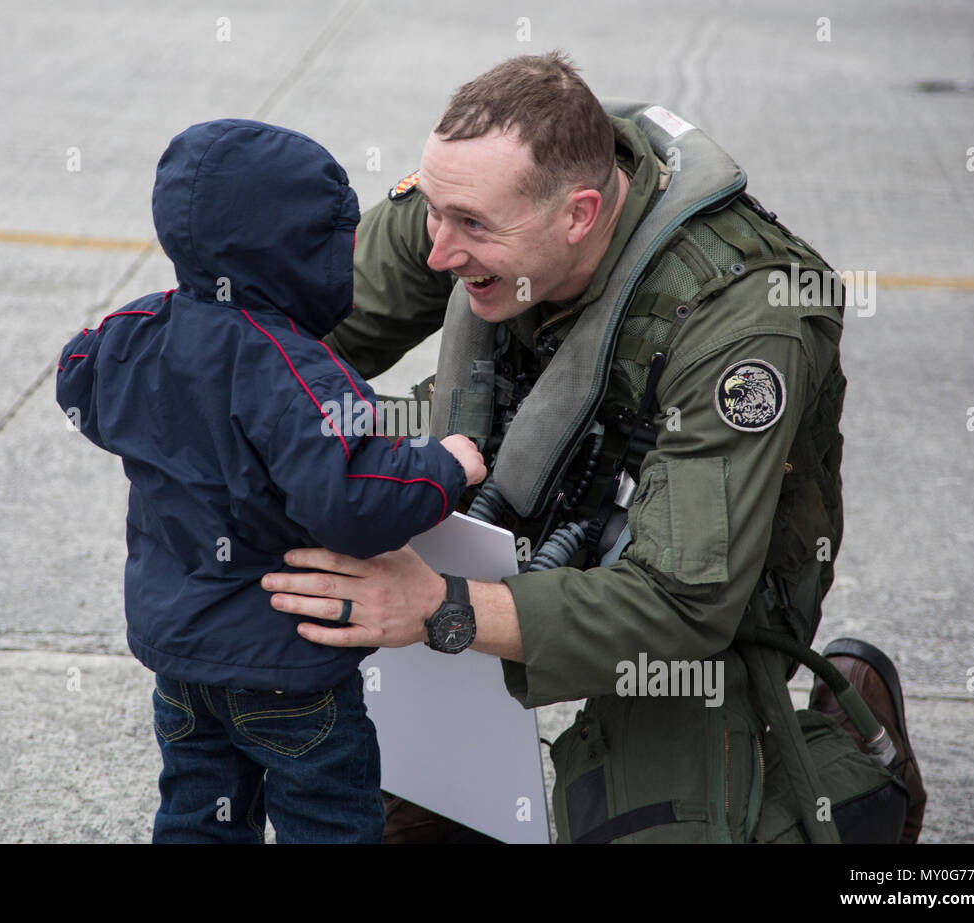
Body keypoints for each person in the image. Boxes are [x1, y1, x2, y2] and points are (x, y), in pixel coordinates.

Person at [261, 53, 926, 843]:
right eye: (435, 211)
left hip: (689, 581)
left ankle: (854, 751)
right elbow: (274, 345)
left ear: (578, 216)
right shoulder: (476, 199)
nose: (438, 251)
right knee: (340, 777)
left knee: (650, 832)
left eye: (470, 226)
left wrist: (438, 609)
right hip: (501, 490)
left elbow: (683, 601)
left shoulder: (739, 319)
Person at [56, 118, 486, 844]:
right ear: (298, 251)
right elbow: (352, 497)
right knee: (329, 818)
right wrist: (446, 466)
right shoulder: (297, 371)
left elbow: (78, 374)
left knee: (197, 812)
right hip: (287, 667)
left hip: (180, 662)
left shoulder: (139, 331)